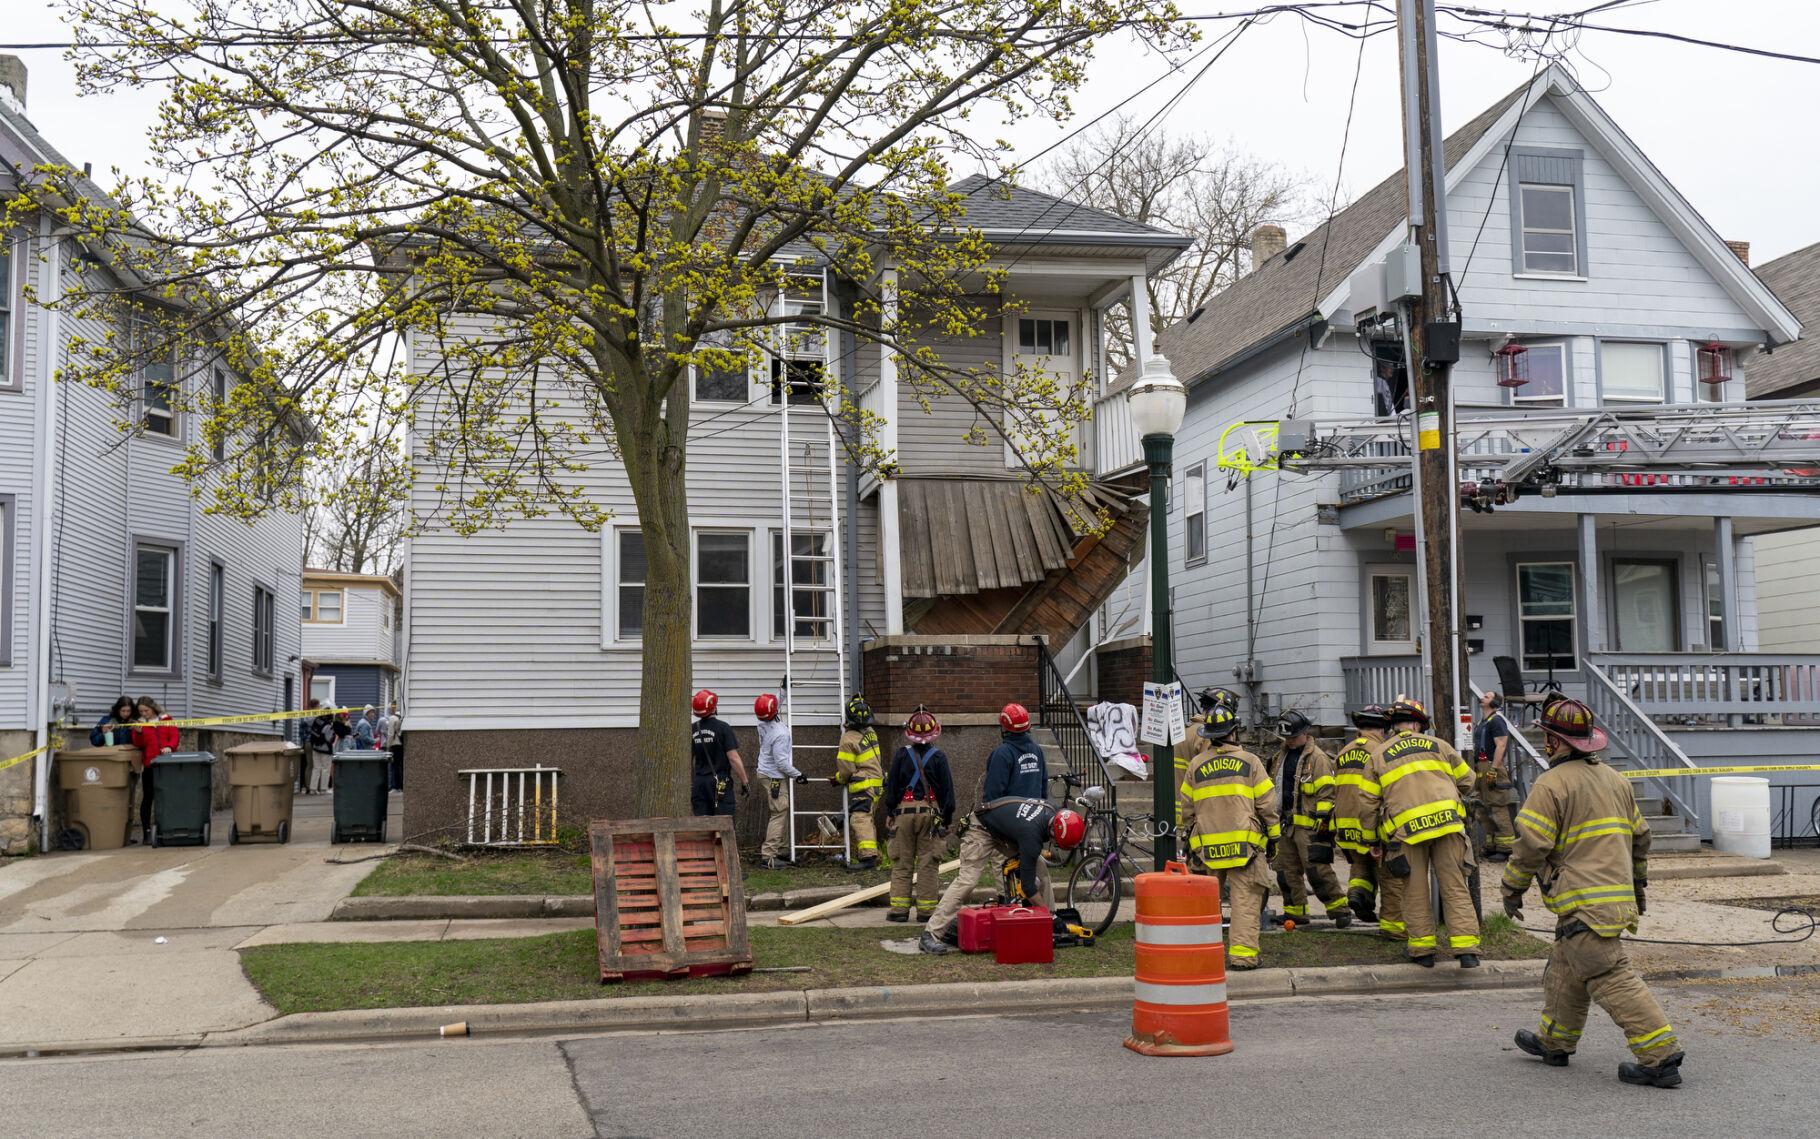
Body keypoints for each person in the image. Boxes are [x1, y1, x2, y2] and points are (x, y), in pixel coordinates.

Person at [1504, 697, 1683, 1088]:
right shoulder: (1617, 781)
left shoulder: (1551, 784)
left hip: (1583, 901)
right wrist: (1637, 888)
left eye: (1547, 738)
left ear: (1553, 741)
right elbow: (1641, 838)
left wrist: (1511, 888)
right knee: (1566, 966)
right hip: (1611, 900)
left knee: (1609, 975)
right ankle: (1554, 1041)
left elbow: (1531, 846)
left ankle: (1660, 1057)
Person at [919, 703, 1054, 954]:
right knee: (972, 879)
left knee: (1033, 871)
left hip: (1009, 826)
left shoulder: (1003, 753)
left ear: (1004, 728)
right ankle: (932, 932)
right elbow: (1041, 792)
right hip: (989, 827)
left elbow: (992, 796)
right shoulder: (1034, 751)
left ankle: (1048, 925)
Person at [1360, 696, 1481, 969]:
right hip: (1448, 826)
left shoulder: (1378, 755)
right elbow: (1469, 780)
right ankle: (1467, 950)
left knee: (1414, 891)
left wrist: (1371, 839)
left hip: (1406, 834)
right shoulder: (1440, 745)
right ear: (1417, 725)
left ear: (1394, 726)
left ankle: (1423, 951)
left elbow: (1367, 803)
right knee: (1455, 886)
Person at [1176, 704, 1279, 970]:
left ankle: (1203, 956)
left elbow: (1186, 809)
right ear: (1233, 732)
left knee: (1205, 904)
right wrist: (1274, 838)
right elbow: (1267, 805)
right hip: (1245, 849)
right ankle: (1243, 956)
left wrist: (1192, 835)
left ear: (1209, 735)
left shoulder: (1196, 765)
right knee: (1245, 901)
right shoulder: (1250, 762)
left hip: (1207, 848)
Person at [1269, 709, 1351, 928]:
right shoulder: (1281, 757)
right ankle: (1295, 912)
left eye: (1294, 737)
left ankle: (1340, 910)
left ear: (1305, 733)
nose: (1290, 741)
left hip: (1309, 827)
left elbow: (1327, 793)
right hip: (1285, 825)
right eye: (1286, 737)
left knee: (1318, 870)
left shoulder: (1318, 759)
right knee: (1286, 871)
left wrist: (1322, 823)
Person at [883, 706, 955, 923]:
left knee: (901, 862)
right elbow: (948, 792)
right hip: (930, 816)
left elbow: (892, 787)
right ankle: (926, 912)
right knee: (928, 863)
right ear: (935, 732)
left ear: (909, 733)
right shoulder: (939, 757)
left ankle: (899, 911)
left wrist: (890, 812)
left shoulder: (901, 755)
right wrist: (947, 819)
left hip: (903, 814)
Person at [1331, 704, 1391, 924]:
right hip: (1369, 819)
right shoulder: (1381, 751)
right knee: (1384, 869)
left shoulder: (1343, 751)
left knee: (1360, 862)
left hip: (1345, 822)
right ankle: (1388, 914)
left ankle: (1358, 895)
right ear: (1382, 729)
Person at [753, 693, 804, 869]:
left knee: (782, 810)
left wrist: (783, 690)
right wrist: (798, 775)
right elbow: (781, 762)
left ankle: (782, 849)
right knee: (779, 812)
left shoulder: (761, 722)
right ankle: (768, 856)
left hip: (765, 772)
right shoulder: (780, 734)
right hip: (773, 775)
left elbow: (771, 706)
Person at [832, 695, 884, 870]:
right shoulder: (871, 732)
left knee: (860, 819)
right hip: (876, 784)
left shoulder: (847, 739)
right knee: (868, 819)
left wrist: (837, 779)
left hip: (864, 785)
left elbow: (846, 771)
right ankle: (873, 855)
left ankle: (868, 858)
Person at [1473, 691, 1517, 861]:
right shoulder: (1482, 722)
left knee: (1497, 806)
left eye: (1487, 696)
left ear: (1494, 703)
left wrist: (1494, 769)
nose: (1482, 698)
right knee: (1483, 807)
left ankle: (1506, 848)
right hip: (1480, 767)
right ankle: (1491, 845)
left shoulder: (1497, 720)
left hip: (1492, 766)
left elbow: (1501, 745)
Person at [689, 689, 748, 817]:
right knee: (723, 823)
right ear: (713, 708)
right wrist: (745, 782)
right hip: (720, 784)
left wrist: (693, 783)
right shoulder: (723, 728)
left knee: (701, 824)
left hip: (699, 785)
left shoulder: (692, 729)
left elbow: (688, 760)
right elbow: (733, 758)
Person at [131, 697, 179, 841]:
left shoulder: (166, 719)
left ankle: (168, 827)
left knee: (167, 796)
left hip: (167, 763)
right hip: (150, 764)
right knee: (148, 797)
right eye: (141, 711)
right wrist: (138, 732)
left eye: (146, 710)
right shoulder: (139, 724)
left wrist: (170, 746)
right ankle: (146, 832)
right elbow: (138, 744)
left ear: (153, 708)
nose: (144, 713)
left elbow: (174, 736)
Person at [305, 701, 334, 795]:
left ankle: (313, 789)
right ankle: (323, 789)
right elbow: (329, 738)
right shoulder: (328, 725)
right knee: (325, 769)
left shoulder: (316, 720)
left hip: (315, 747)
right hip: (325, 749)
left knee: (316, 768)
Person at [381, 705, 405, 791]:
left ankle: (395, 786)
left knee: (394, 766)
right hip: (401, 744)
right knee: (400, 766)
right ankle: (401, 785)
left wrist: (388, 746)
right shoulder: (401, 718)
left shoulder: (392, 719)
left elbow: (390, 734)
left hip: (394, 744)